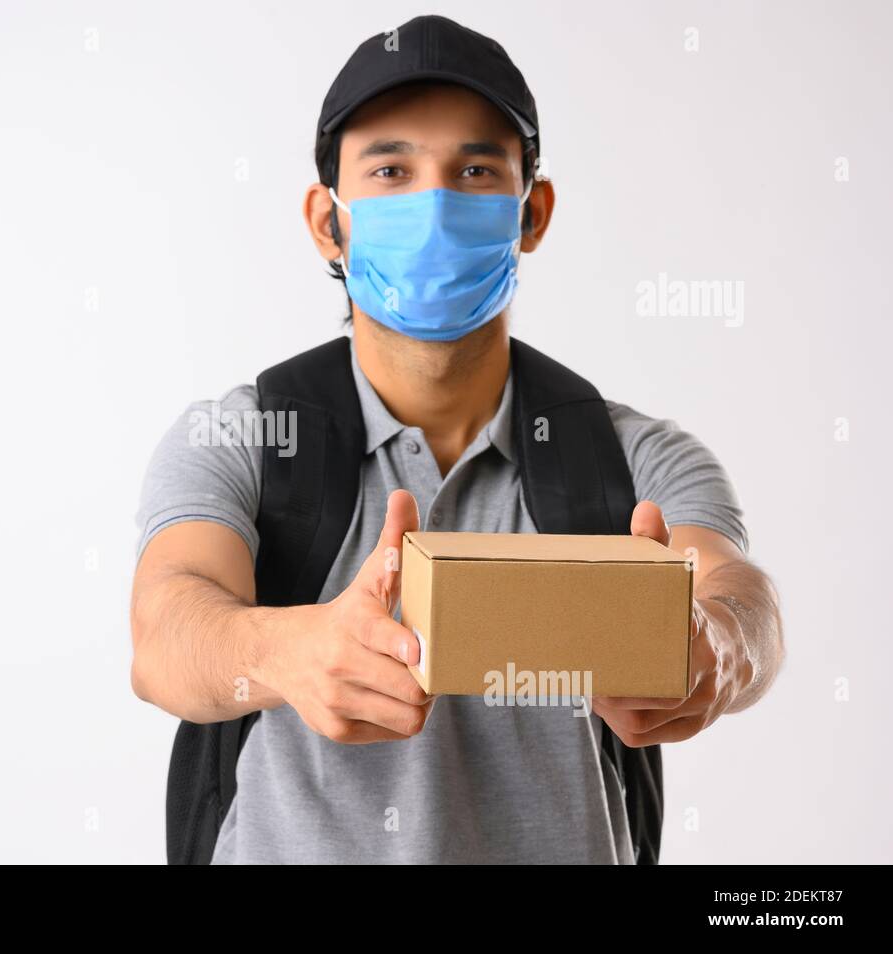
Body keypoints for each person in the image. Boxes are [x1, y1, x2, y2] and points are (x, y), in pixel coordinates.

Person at [130, 15, 784, 864]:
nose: (433, 206)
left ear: (531, 212)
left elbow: (740, 595)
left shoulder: (635, 457)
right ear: (329, 222)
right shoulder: (242, 437)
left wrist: (715, 646)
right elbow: (163, 633)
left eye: (475, 171)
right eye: (391, 171)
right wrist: (290, 650)